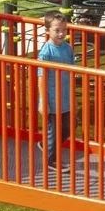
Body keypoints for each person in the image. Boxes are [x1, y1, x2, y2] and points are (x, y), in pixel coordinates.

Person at [38, 12, 76, 169]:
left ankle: (45, 144)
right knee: (53, 131)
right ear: (47, 31)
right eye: (57, 30)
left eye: (64, 30)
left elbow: (72, 71)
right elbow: (41, 76)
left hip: (65, 96)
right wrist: (43, 101)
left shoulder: (68, 48)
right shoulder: (47, 52)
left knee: (69, 126)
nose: (61, 34)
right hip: (52, 99)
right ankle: (50, 161)